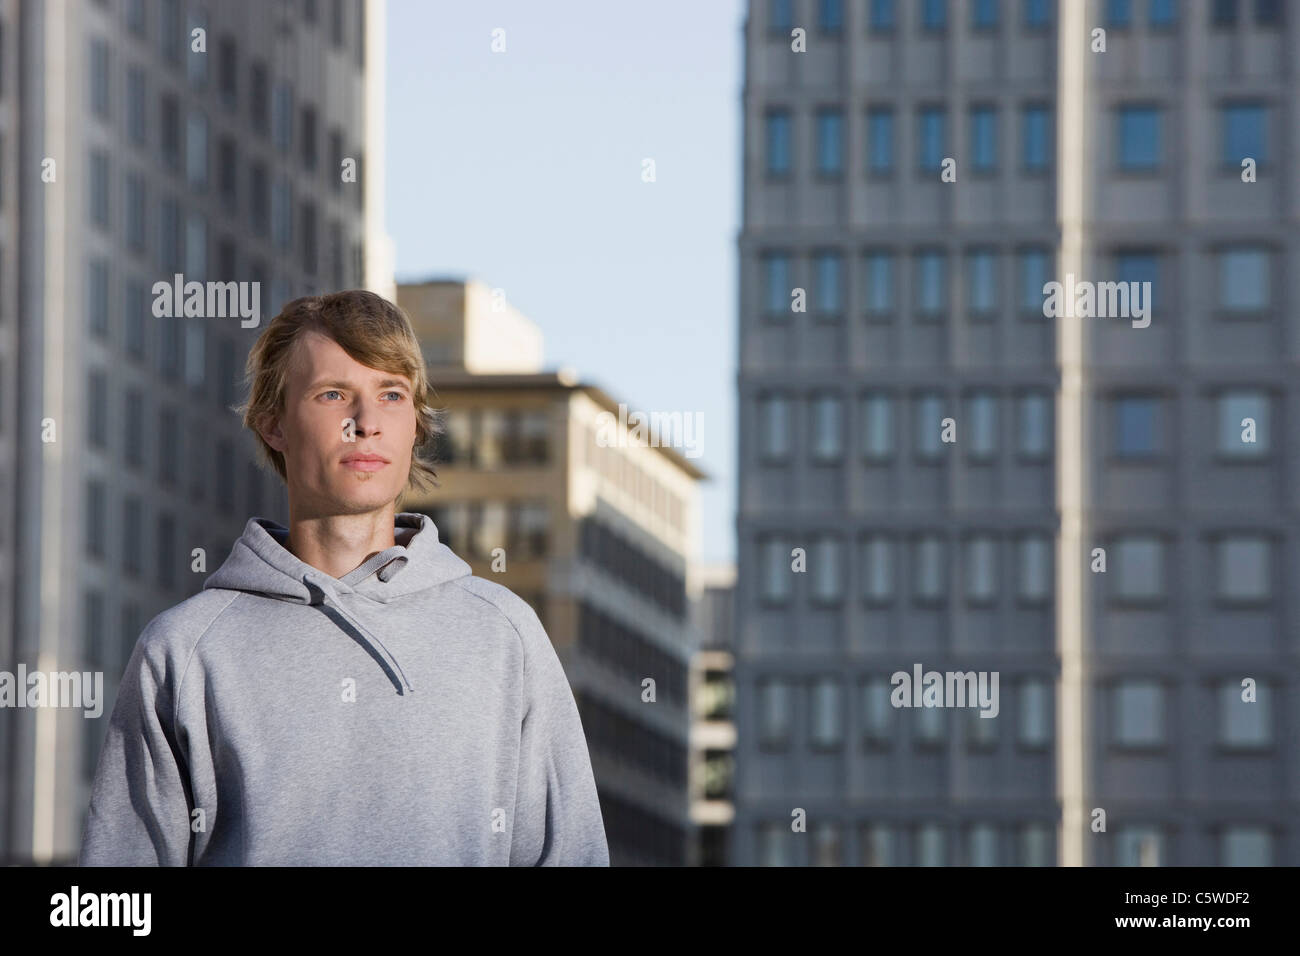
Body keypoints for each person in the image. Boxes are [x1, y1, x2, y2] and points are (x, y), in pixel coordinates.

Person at [79, 289, 609, 866]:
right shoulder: (183, 650)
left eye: (391, 395)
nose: (367, 423)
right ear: (273, 424)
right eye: (334, 395)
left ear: (415, 426)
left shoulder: (504, 634)